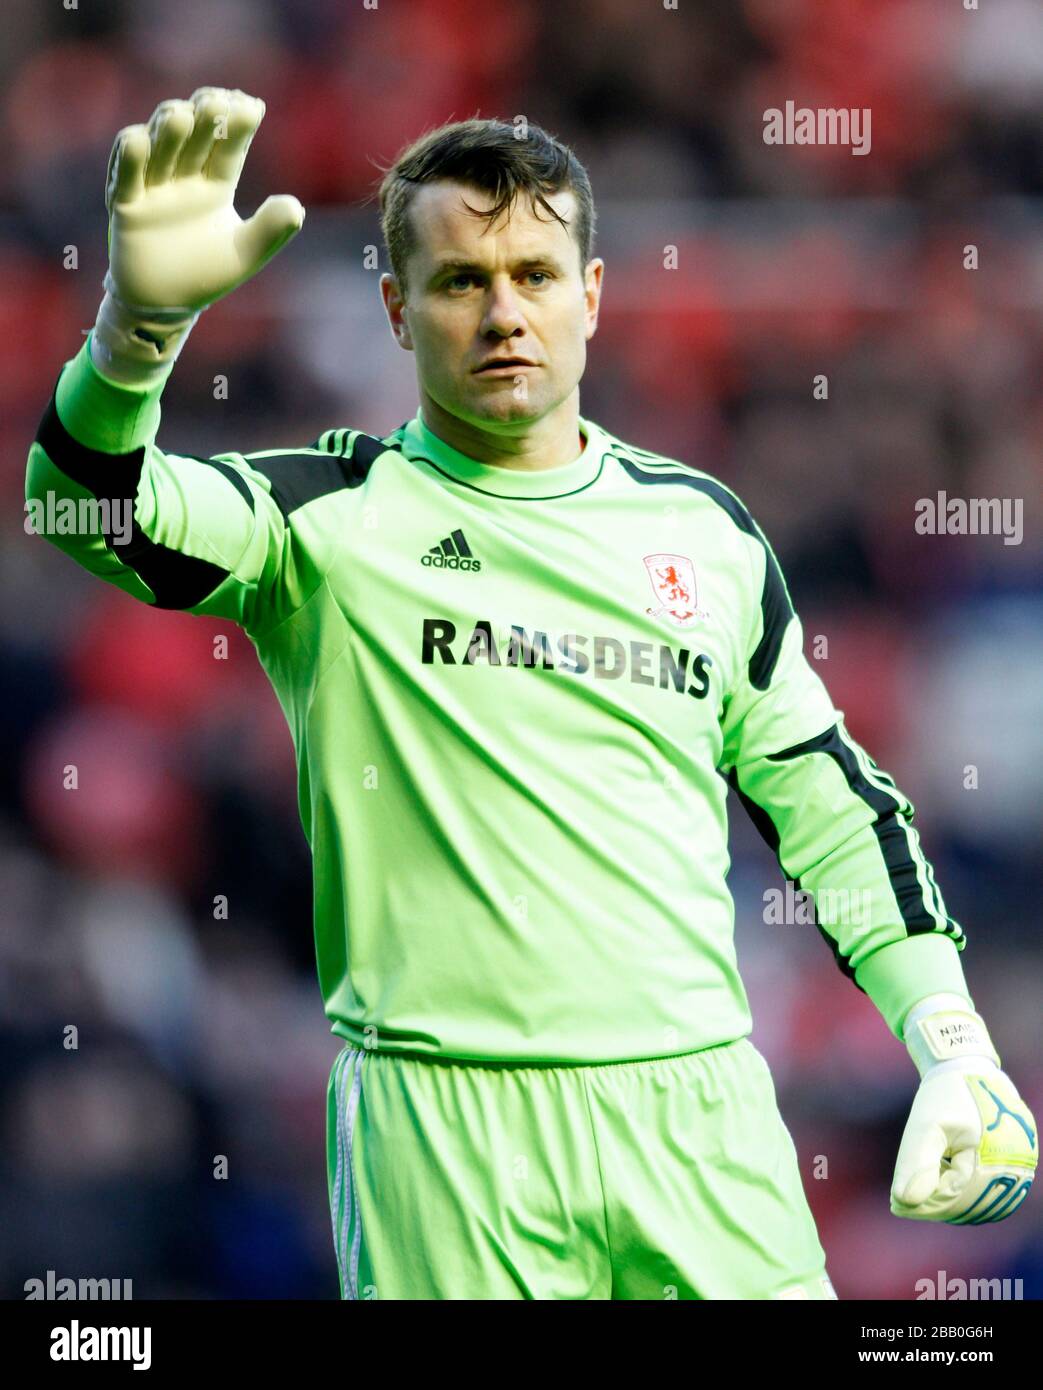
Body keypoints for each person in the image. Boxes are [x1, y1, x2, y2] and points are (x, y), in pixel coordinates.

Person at [25, 87, 1036, 1301]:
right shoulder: (327, 521)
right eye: (460, 282)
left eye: (535, 273)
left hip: (699, 1112)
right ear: (397, 312)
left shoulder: (701, 534)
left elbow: (826, 801)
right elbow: (84, 509)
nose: (504, 312)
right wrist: (135, 333)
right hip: (442, 1130)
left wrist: (949, 1040)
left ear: (592, 295)